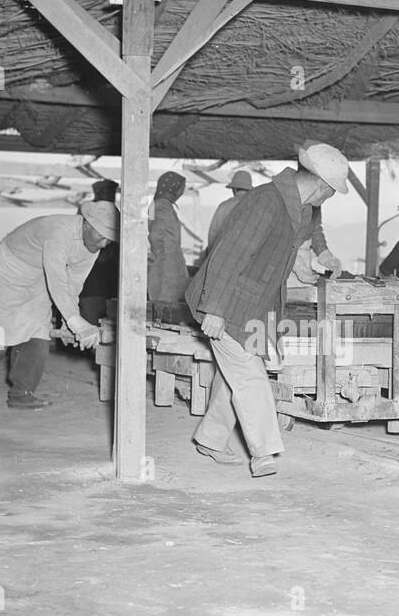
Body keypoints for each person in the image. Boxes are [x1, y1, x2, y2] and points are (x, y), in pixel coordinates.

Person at [185, 142, 346, 477]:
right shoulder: (265, 201)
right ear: (323, 186)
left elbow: (288, 256)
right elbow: (230, 253)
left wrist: (311, 267)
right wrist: (213, 309)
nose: (329, 199)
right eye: (332, 193)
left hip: (256, 307)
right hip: (226, 304)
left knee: (234, 379)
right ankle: (263, 452)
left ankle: (211, 440)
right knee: (250, 376)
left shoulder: (298, 209)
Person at [0, 199, 118, 410]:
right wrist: (78, 323)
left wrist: (69, 318)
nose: (103, 244)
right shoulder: (58, 232)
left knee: (38, 336)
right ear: (86, 224)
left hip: (38, 281)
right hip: (6, 276)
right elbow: (57, 280)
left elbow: (73, 283)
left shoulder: (92, 246)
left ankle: (21, 393)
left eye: (109, 241)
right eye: (101, 236)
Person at [78, 179, 119, 326]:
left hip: (110, 284)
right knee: (91, 325)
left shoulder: (115, 214)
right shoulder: (87, 215)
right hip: (91, 283)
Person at [147, 171, 189, 308]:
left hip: (166, 265)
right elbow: (155, 235)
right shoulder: (163, 206)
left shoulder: (158, 205)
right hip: (166, 268)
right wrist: (160, 254)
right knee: (166, 307)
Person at [205, 169, 254, 248]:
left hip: (224, 254)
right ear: (249, 189)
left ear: (234, 189)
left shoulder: (223, 207)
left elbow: (213, 234)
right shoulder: (255, 206)